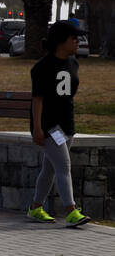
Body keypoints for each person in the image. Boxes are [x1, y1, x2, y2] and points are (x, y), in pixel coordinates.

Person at [26, 20, 90, 227]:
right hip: (50, 126)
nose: (78, 42)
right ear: (61, 42)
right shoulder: (42, 68)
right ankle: (71, 211)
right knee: (63, 166)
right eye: (74, 38)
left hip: (66, 126)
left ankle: (35, 208)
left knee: (50, 169)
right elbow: (38, 99)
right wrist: (37, 128)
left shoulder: (73, 63)